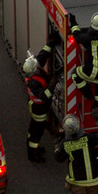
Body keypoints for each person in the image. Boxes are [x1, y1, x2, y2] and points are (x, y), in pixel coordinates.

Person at [23, 29, 62, 162]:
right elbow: (44, 95)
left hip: (38, 108)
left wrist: (50, 42)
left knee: (33, 131)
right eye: (37, 66)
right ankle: (33, 155)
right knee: (36, 132)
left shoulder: (34, 69)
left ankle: (33, 148)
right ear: (34, 70)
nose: (39, 65)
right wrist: (54, 81)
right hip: (39, 110)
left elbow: (42, 55)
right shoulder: (33, 83)